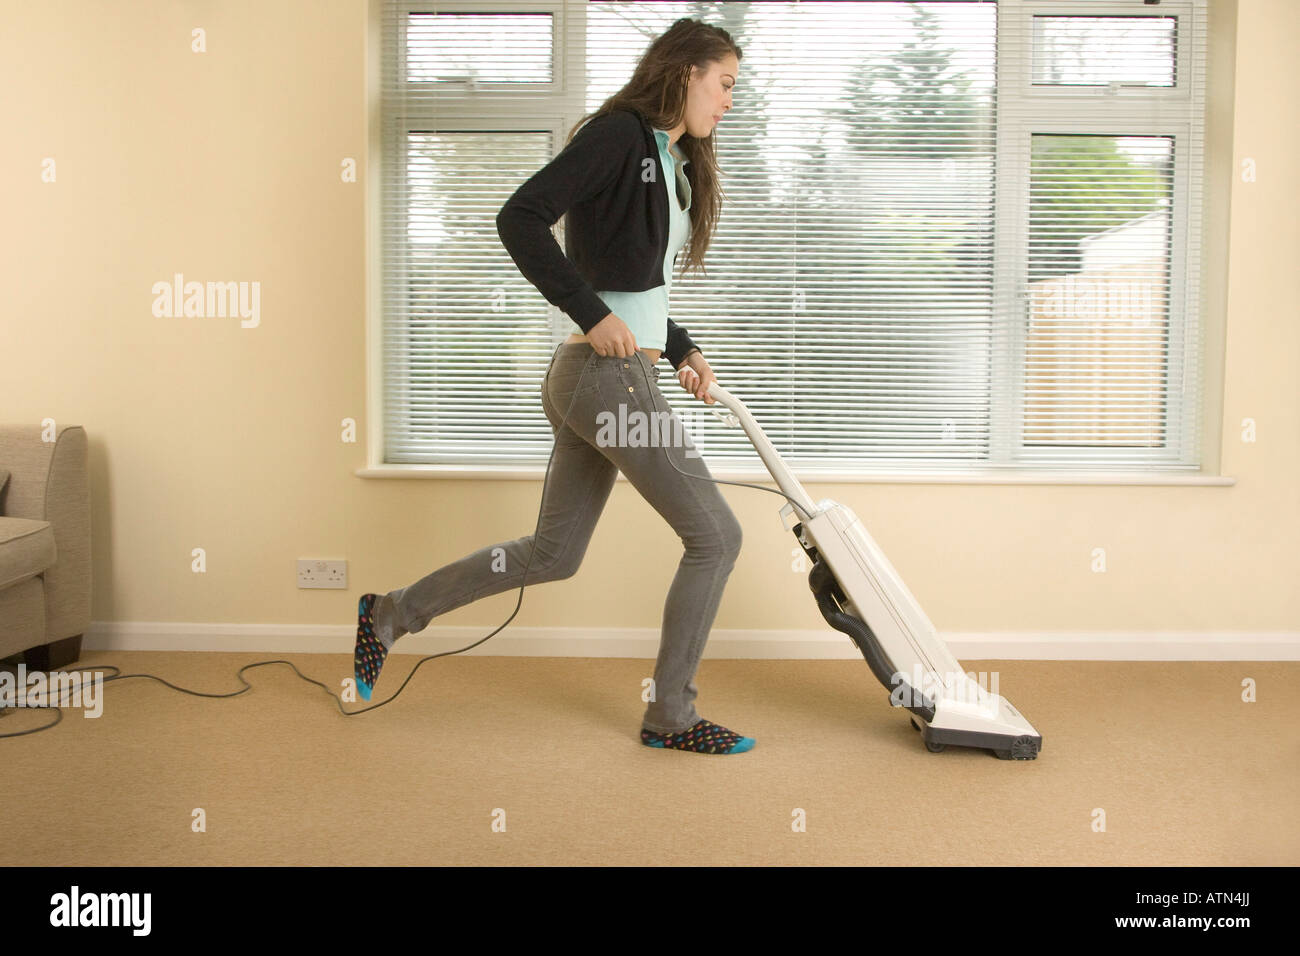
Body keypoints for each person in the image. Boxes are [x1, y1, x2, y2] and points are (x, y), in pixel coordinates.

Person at [353, 18, 752, 755]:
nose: (730, 100)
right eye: (724, 83)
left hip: (597, 378)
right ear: (687, 70)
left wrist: (683, 347)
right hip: (604, 377)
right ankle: (671, 716)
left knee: (554, 553)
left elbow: (637, 285)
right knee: (717, 535)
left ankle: (390, 613)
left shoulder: (665, 157)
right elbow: (520, 218)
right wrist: (590, 313)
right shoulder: (617, 135)